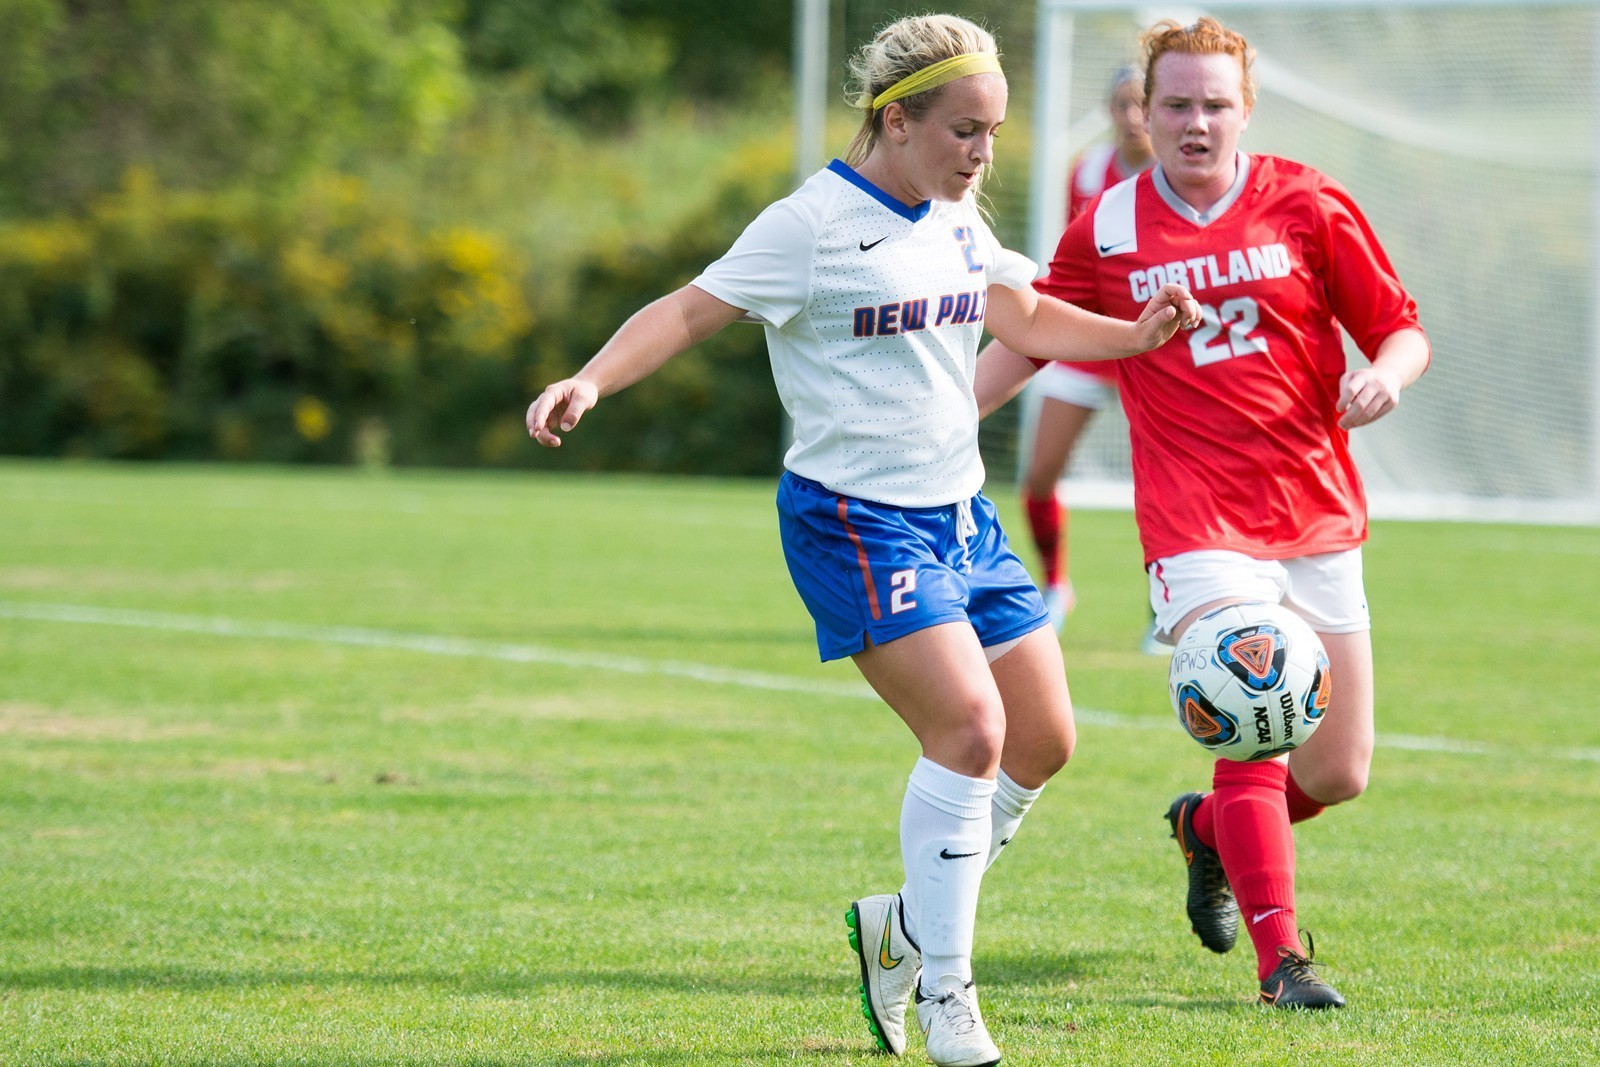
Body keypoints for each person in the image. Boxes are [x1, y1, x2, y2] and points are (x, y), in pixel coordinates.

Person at [527, 15, 1199, 1064]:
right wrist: (589, 379)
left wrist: (1133, 335)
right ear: (896, 119)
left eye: (993, 133)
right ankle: (946, 997)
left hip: (960, 515)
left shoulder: (957, 215)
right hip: (853, 519)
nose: (982, 154)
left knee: (1043, 739)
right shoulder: (810, 226)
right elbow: (690, 310)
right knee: (970, 731)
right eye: (964, 131)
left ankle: (903, 927)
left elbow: (1022, 317)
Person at [974, 16, 1429, 1010]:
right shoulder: (1111, 224)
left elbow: (1398, 330)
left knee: (1340, 766)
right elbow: (1036, 333)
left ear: (1245, 110)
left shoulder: (1306, 204)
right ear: (1144, 111)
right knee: (1253, 719)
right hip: (1196, 522)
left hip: (1315, 507)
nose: (1192, 122)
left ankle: (1205, 830)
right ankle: (1284, 964)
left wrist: (1385, 380)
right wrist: (940, 418)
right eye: (1172, 103)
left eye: (1212, 104)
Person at [1022, 66, 1154, 634]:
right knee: (1040, 473)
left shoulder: (1179, 178)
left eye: (1141, 104)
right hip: (1084, 343)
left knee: (1167, 480)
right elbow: (1073, 261)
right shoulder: (1089, 172)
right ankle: (1057, 587)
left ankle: (1167, 606)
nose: (1131, 116)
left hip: (1150, 349)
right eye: (1120, 103)